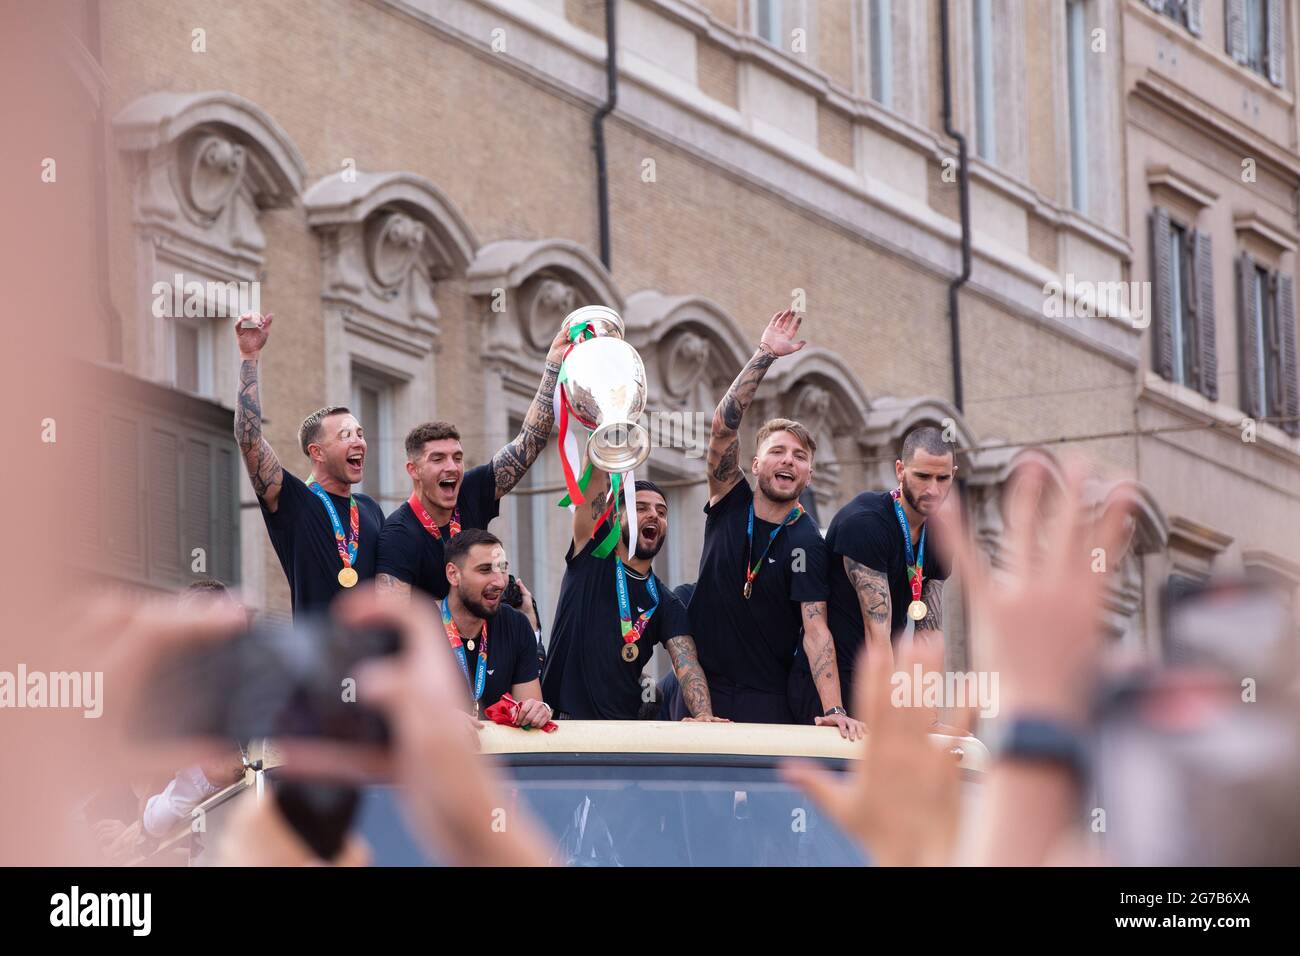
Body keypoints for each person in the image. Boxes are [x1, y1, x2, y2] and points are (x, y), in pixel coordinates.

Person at [689, 309, 861, 738]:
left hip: (766, 701)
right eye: (778, 451)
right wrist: (764, 354)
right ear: (755, 463)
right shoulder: (730, 498)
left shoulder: (807, 540)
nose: (789, 460)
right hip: (700, 692)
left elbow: (815, 629)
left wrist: (835, 708)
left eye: (800, 456)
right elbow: (722, 428)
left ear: (809, 475)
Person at [375, 325, 570, 601]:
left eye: (457, 457)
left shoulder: (470, 490)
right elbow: (391, 619)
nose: (452, 467)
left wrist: (553, 367)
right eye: (437, 458)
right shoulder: (399, 533)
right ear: (413, 470)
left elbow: (529, 442)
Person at [788, 425, 955, 723]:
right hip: (830, 682)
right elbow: (876, 630)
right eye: (922, 476)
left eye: (943, 478)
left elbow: (928, 634)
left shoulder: (940, 537)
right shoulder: (866, 523)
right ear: (900, 470)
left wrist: (928, 716)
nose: (933, 489)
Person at [542, 469, 723, 721]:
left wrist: (703, 714)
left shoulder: (666, 602)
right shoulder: (591, 556)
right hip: (562, 725)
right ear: (616, 516)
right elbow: (591, 493)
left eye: (662, 512)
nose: (653, 515)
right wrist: (600, 446)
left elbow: (687, 663)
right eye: (640, 508)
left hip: (621, 734)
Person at [234, 313, 385, 616]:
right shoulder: (294, 501)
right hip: (318, 658)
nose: (358, 442)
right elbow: (248, 438)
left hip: (372, 660)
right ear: (317, 452)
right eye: (345, 436)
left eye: (360, 434)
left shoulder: (370, 509)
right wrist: (249, 356)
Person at [435, 529, 551, 727]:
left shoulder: (517, 624)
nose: (499, 582)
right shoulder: (417, 626)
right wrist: (436, 721)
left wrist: (538, 711)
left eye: (502, 568)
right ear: (453, 575)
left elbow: (528, 713)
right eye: (485, 570)